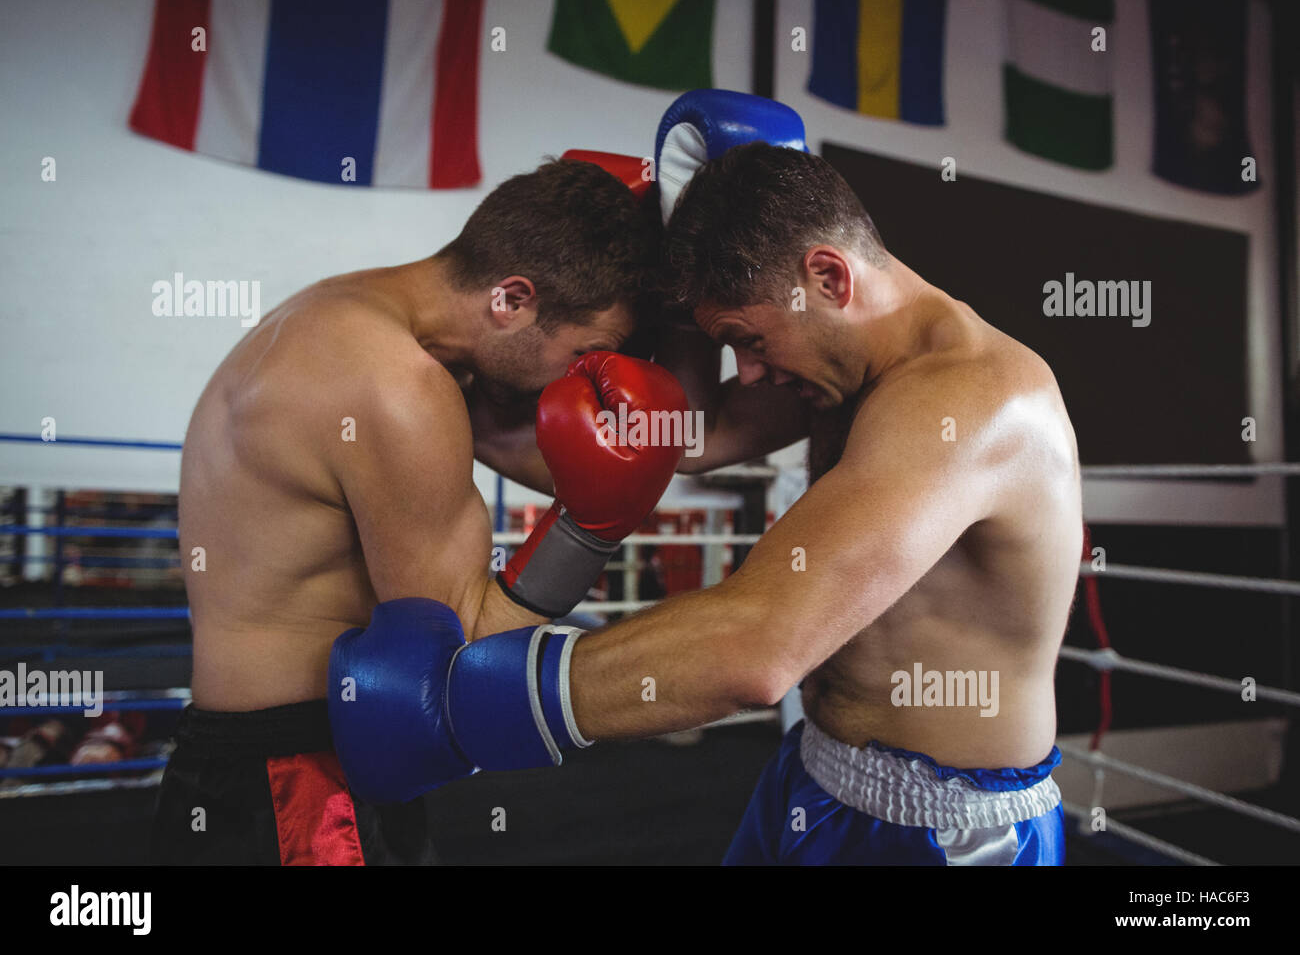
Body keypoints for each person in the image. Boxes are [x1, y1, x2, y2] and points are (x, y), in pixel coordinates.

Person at [329, 91, 1081, 866]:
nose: (746, 372)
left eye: (749, 342)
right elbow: (685, 436)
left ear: (828, 276)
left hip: (952, 832)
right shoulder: (847, 369)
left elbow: (758, 648)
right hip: (814, 773)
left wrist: (465, 701)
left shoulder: (976, 399)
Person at [151, 157, 687, 864]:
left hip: (242, 765)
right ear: (513, 299)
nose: (576, 377)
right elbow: (461, 660)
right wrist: (591, 528)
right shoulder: (399, 387)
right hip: (301, 791)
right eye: (586, 352)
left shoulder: (331, 314)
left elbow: (678, 443)